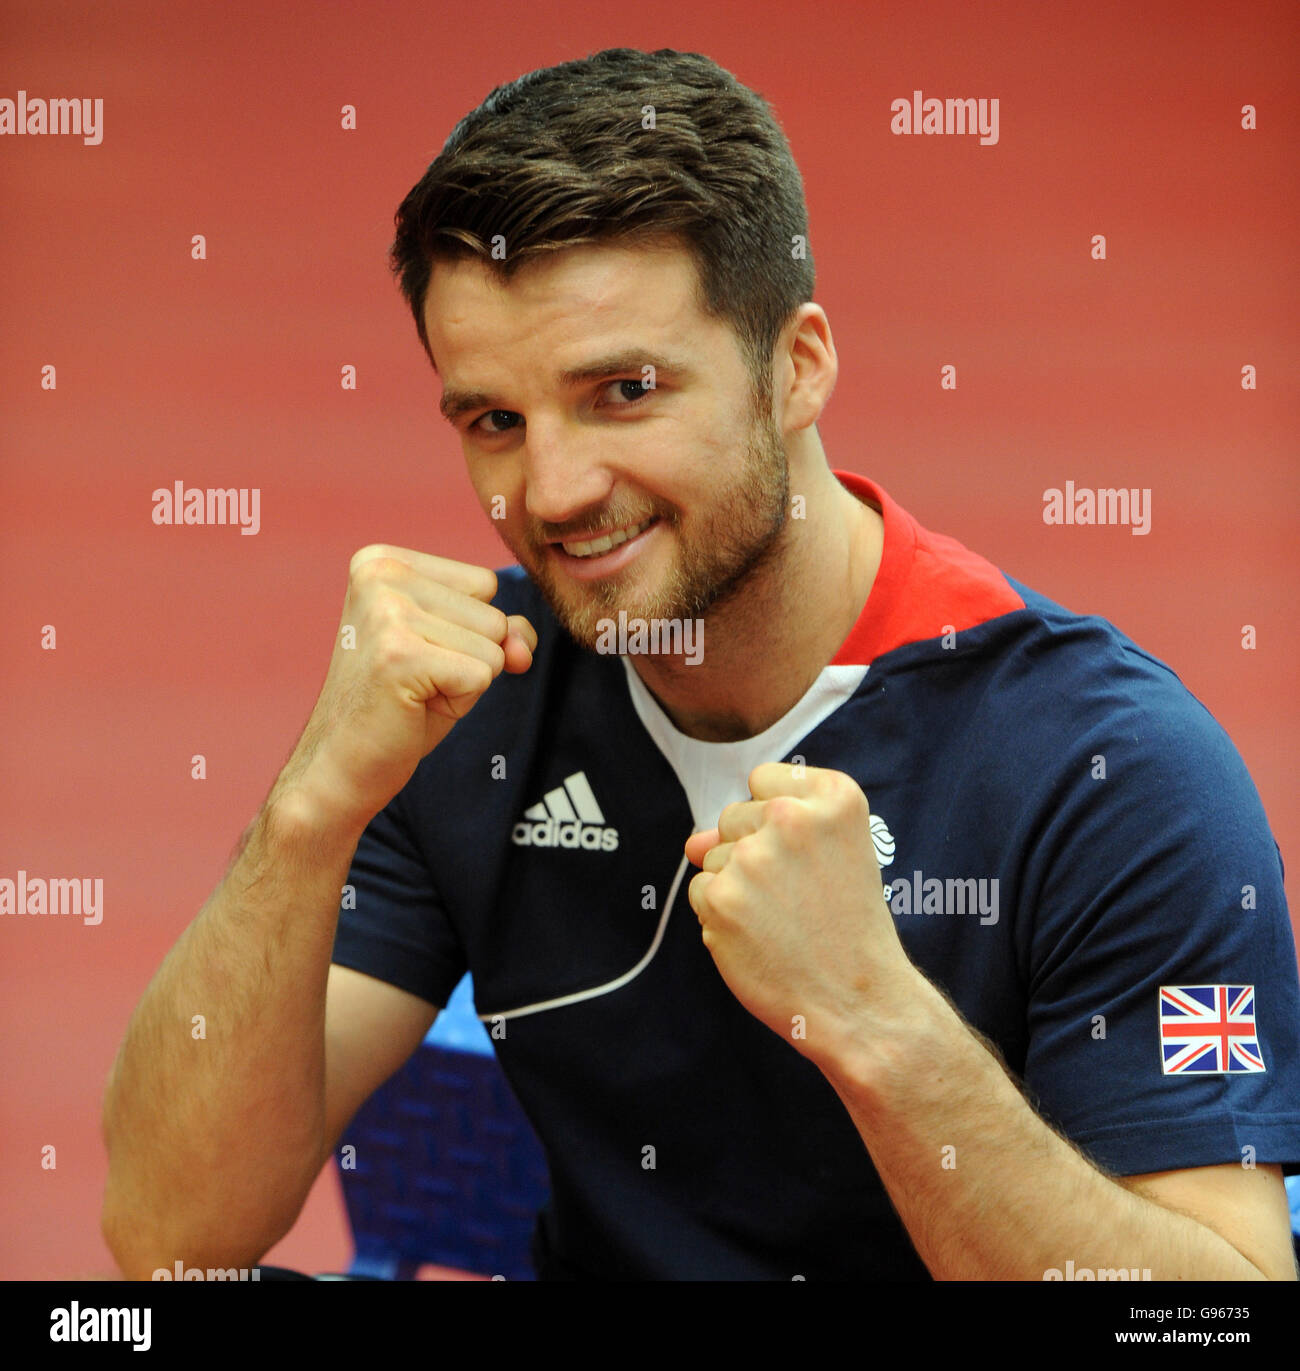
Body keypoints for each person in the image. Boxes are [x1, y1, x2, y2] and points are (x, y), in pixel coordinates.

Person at [101, 47, 1300, 1282]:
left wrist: (876, 1026)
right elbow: (169, 1238)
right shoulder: (471, 705)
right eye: (494, 421)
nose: (553, 492)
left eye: (624, 391)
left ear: (799, 367)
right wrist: (309, 810)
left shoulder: (1107, 769)